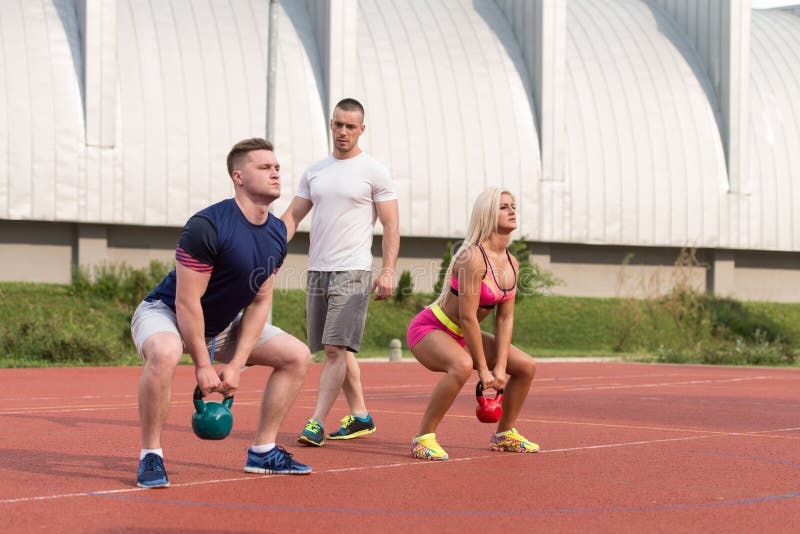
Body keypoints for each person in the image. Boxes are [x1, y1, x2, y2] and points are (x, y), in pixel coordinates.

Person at [130, 138, 312, 488]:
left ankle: (263, 451)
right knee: (166, 352)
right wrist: (202, 364)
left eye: (276, 167)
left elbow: (259, 301)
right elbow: (186, 303)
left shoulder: (276, 233)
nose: (275, 173)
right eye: (264, 167)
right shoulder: (207, 226)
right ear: (239, 177)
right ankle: (150, 455)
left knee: (296, 355)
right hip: (166, 314)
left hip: (223, 325)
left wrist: (237, 363)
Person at [281, 98, 399, 447]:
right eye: (338, 125)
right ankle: (360, 415)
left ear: (362, 129)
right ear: (331, 125)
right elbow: (292, 216)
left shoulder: (374, 170)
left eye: (351, 126)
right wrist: (268, 251)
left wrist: (388, 269)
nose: (343, 132)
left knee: (334, 348)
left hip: (354, 270)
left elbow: (391, 225)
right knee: (338, 349)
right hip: (318, 270)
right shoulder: (315, 170)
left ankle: (316, 421)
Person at [406, 187, 539, 460]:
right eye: (504, 207)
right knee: (462, 365)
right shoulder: (472, 258)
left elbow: (505, 318)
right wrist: (484, 371)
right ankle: (423, 438)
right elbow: (467, 317)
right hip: (432, 328)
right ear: (488, 213)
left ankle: (504, 434)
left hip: (465, 334)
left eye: (513, 205)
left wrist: (500, 367)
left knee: (525, 366)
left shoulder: (512, 263)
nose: (512, 211)